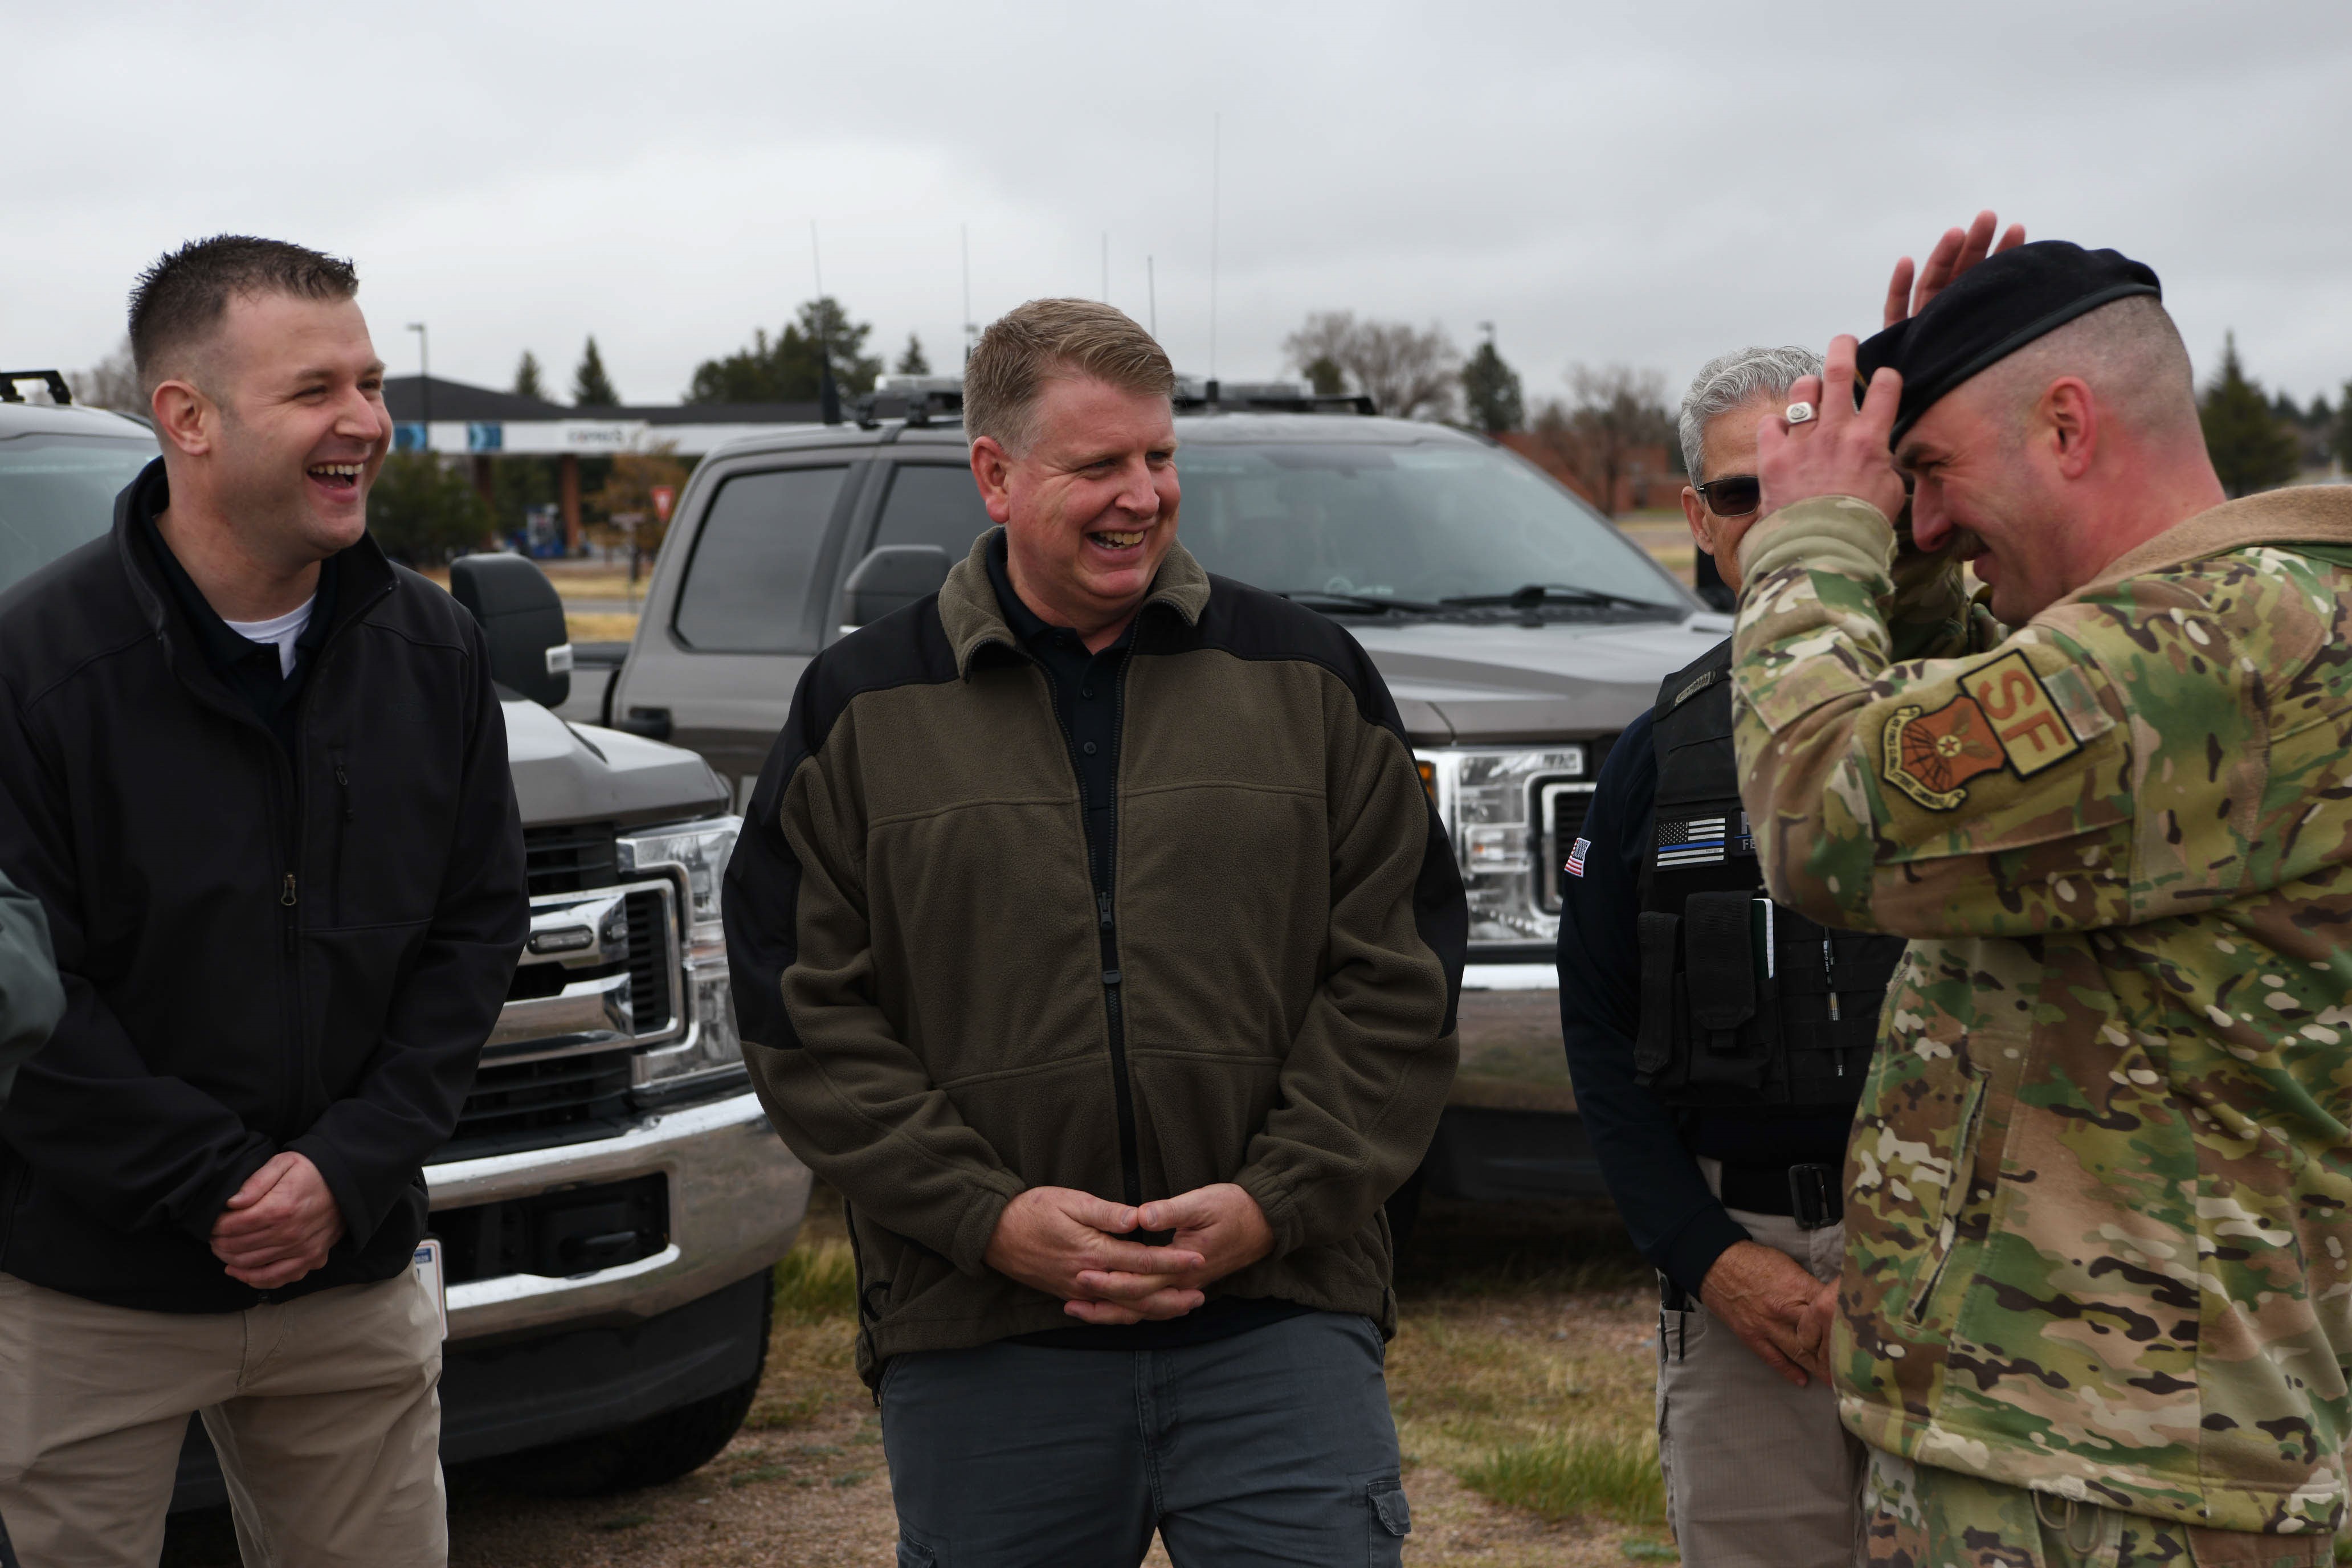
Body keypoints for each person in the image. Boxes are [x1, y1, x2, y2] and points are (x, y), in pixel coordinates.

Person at [724, 297, 1465, 1567]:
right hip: (985, 1332)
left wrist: (1270, 1200)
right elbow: (803, 1006)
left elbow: (1401, 971)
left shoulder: (1308, 677)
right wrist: (989, 1214)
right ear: (995, 475)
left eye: (1160, 457)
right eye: (1099, 465)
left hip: (1276, 1320)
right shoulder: (862, 706)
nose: (1142, 496)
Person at [1729, 236, 2352, 1567]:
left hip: (2120, 1480)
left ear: (2069, 425)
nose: (1930, 522)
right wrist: (1901, 543)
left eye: (1936, 475)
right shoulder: (2217, 639)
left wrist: (1813, 536)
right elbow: (1988, 762)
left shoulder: (2211, 643)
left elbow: (1823, 814)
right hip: (2102, 1454)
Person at [0, 236, 528, 1566]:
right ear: (187, 416)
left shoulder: (436, 649)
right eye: (315, 390)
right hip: (85, 1295)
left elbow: (474, 931)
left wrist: (345, 1171)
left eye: (370, 381)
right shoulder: (32, 668)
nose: (364, 420)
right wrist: (217, 1179)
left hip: (351, 1281)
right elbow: (22, 992)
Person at [1561, 342, 1893, 1568]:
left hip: (1957, 1271)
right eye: (1744, 494)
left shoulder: (1961, 705)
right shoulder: (1659, 748)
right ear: (1699, 519)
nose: (1777, 518)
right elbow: (1596, 1030)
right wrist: (1712, 1258)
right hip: (1747, 1281)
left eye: (1802, 479)